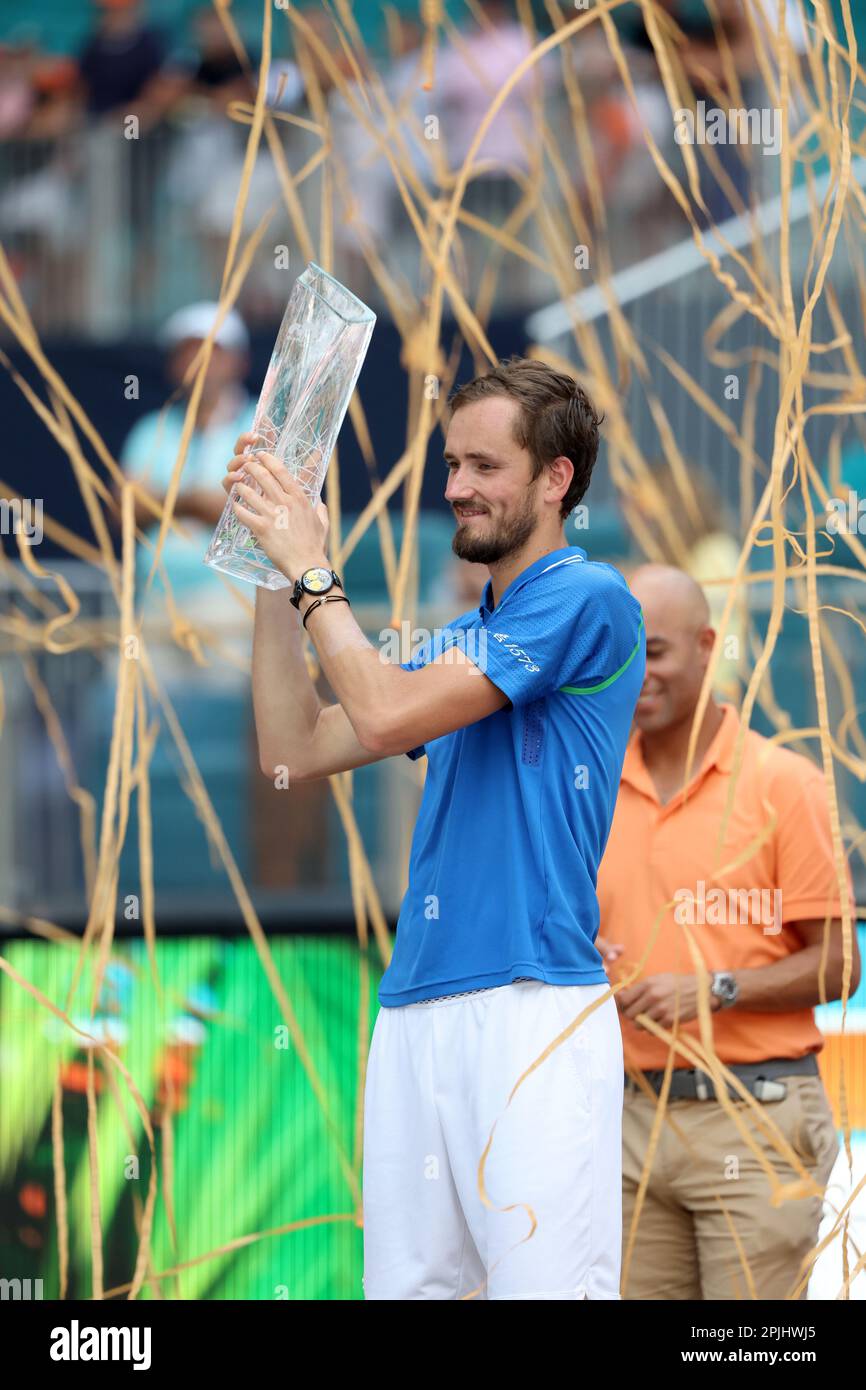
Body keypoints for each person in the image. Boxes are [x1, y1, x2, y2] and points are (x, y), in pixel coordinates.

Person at [220, 356, 646, 1300]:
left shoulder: (592, 596)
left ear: (556, 480)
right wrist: (268, 564)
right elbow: (290, 747)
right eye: (451, 465)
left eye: (485, 467)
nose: (456, 488)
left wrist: (314, 568)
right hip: (412, 1008)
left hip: (535, 1006)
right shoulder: (462, 641)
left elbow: (378, 716)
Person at [595, 563, 861, 1300]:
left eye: (653, 653)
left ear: (709, 647)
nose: (635, 675)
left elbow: (841, 969)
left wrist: (714, 990)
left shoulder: (784, 785)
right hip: (623, 1121)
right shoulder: (590, 786)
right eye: (619, 654)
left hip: (757, 1119)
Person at [117, 300, 255, 684]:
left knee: (226, 711)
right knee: (133, 703)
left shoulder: (264, 425)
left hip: (234, 606)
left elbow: (254, 513)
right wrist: (195, 502)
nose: (198, 362)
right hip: (157, 603)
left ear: (238, 361)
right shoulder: (151, 429)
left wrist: (165, 502)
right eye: (187, 351)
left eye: (211, 351)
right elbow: (123, 507)